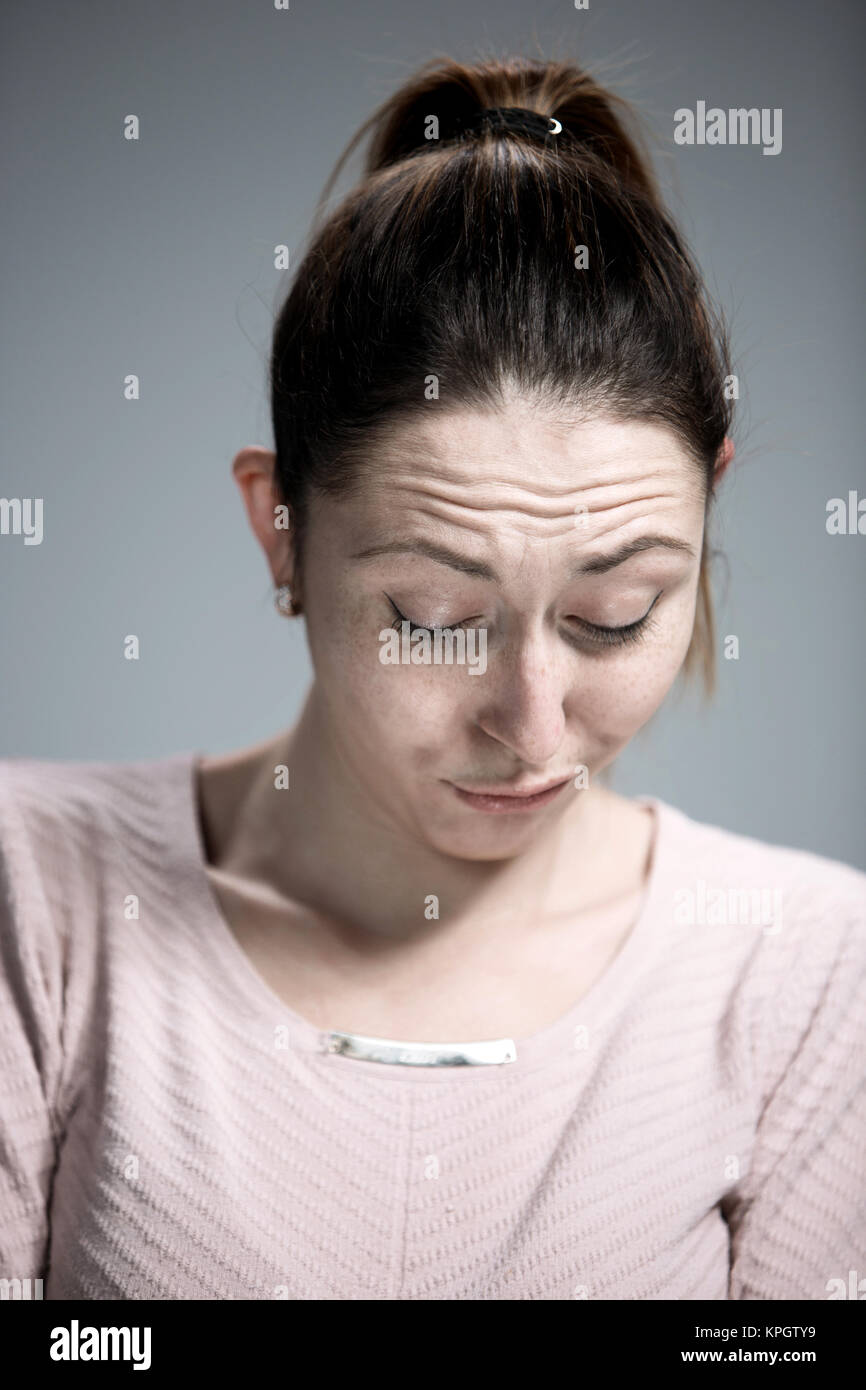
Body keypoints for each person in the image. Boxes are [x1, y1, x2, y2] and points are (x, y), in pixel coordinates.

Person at [1, 55, 864, 1302]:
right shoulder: (40, 902)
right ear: (280, 530)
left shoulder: (808, 974)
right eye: (432, 615)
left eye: (614, 616)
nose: (530, 722)